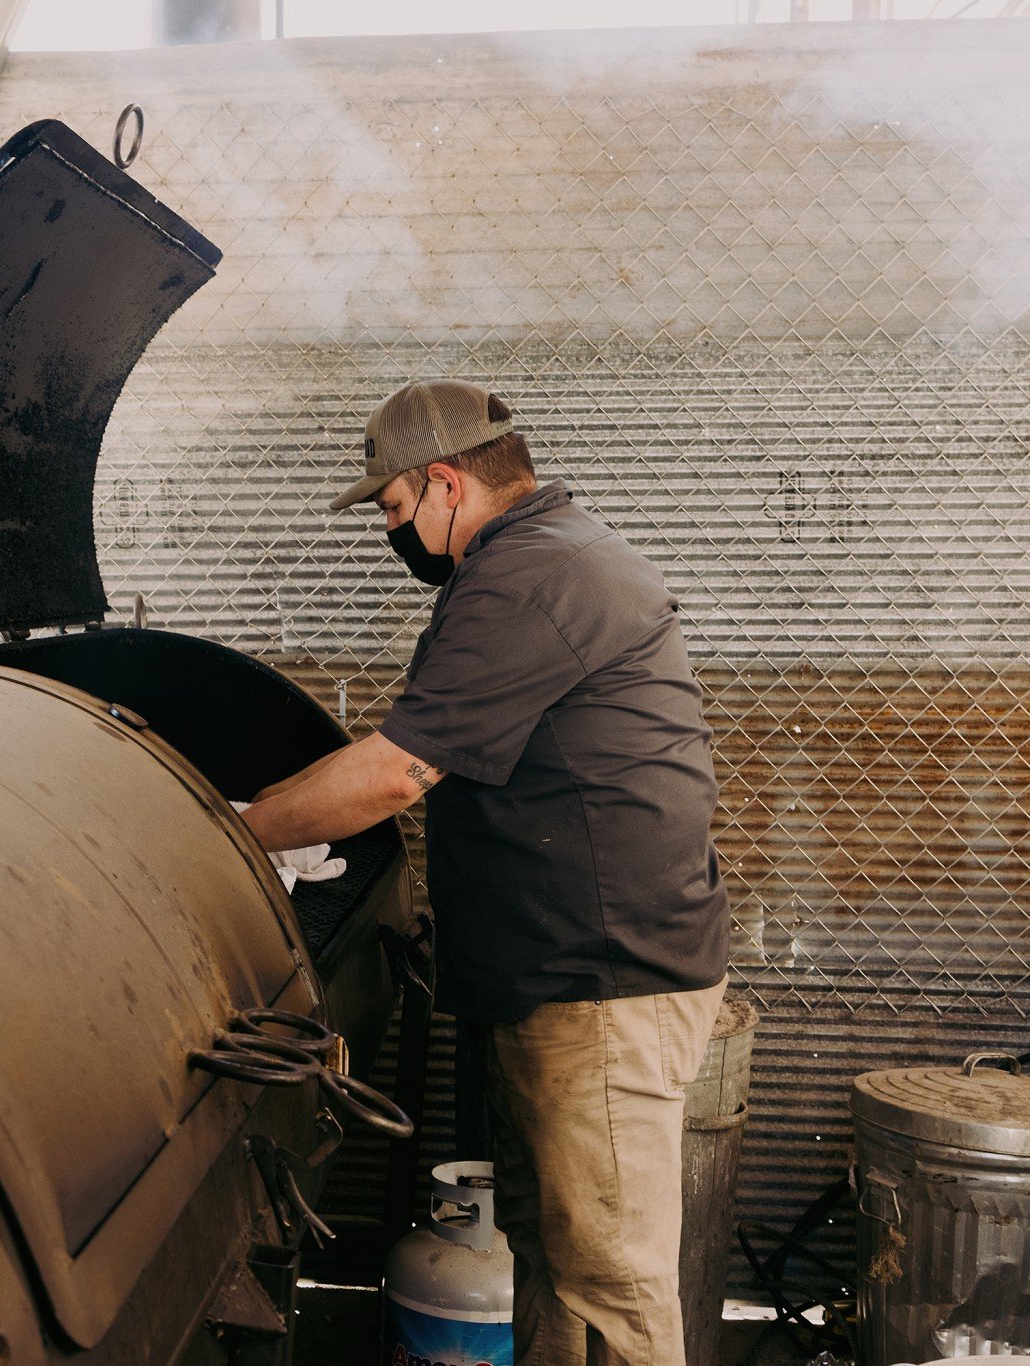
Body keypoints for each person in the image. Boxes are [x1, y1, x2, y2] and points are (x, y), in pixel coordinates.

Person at [241, 378, 730, 1366]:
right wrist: (251, 809)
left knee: (613, 1282)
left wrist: (234, 831)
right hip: (563, 976)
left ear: (444, 483)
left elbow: (393, 772)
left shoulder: (532, 578)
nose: (391, 531)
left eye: (392, 506)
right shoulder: (540, 559)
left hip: (601, 985)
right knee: (556, 1257)